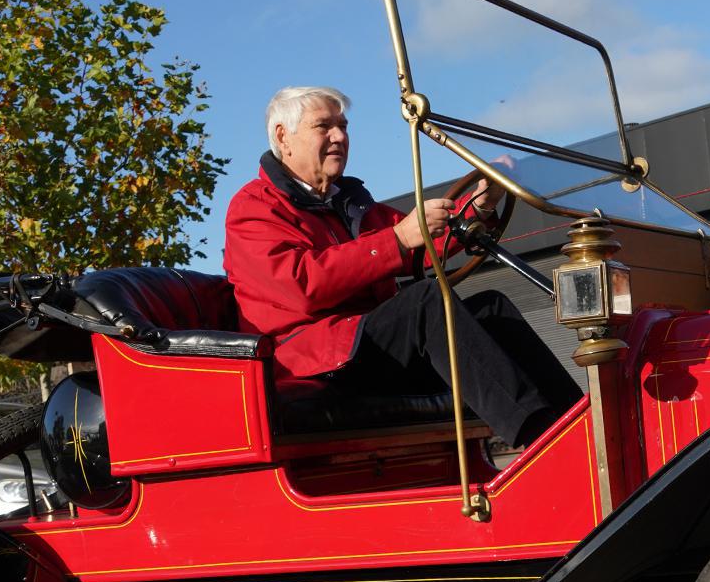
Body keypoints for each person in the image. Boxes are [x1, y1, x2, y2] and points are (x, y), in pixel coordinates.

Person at [224, 86, 581, 449]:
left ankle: (580, 424)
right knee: (425, 301)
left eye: (343, 126)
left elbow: (422, 244)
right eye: (324, 127)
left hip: (361, 344)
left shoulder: (347, 202)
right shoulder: (254, 208)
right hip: (311, 357)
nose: (339, 137)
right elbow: (300, 286)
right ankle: (543, 441)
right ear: (283, 137)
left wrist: (480, 205)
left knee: (491, 307)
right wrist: (396, 239)